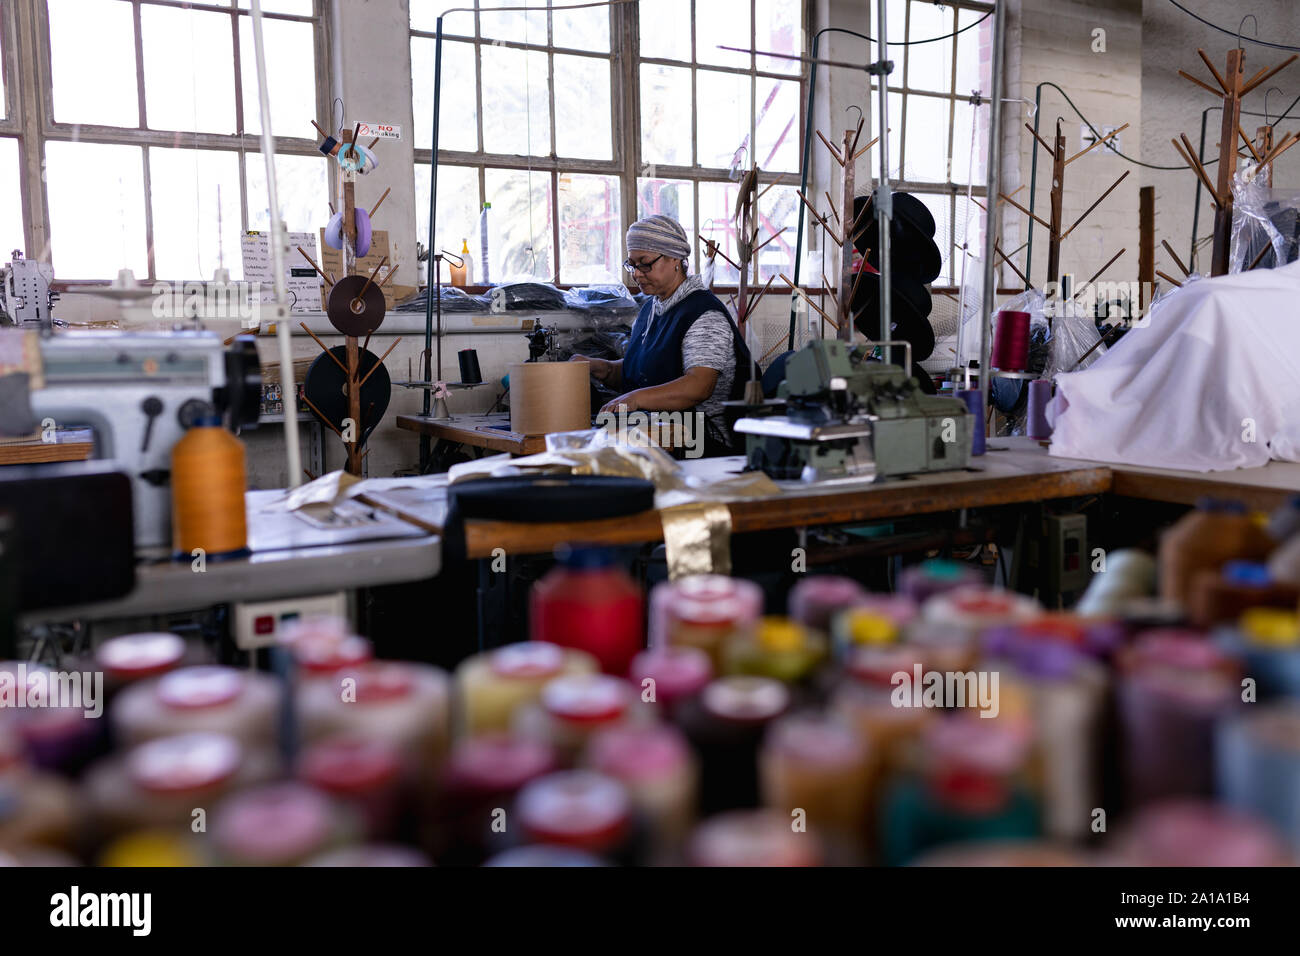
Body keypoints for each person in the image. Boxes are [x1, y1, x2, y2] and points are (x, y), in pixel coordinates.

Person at [570, 215, 752, 456]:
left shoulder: (703, 313)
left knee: (598, 455)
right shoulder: (650, 309)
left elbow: (699, 386)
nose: (636, 273)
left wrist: (635, 399)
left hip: (704, 438)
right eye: (632, 264)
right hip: (661, 426)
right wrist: (600, 368)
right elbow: (644, 371)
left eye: (645, 263)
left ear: (675, 257)